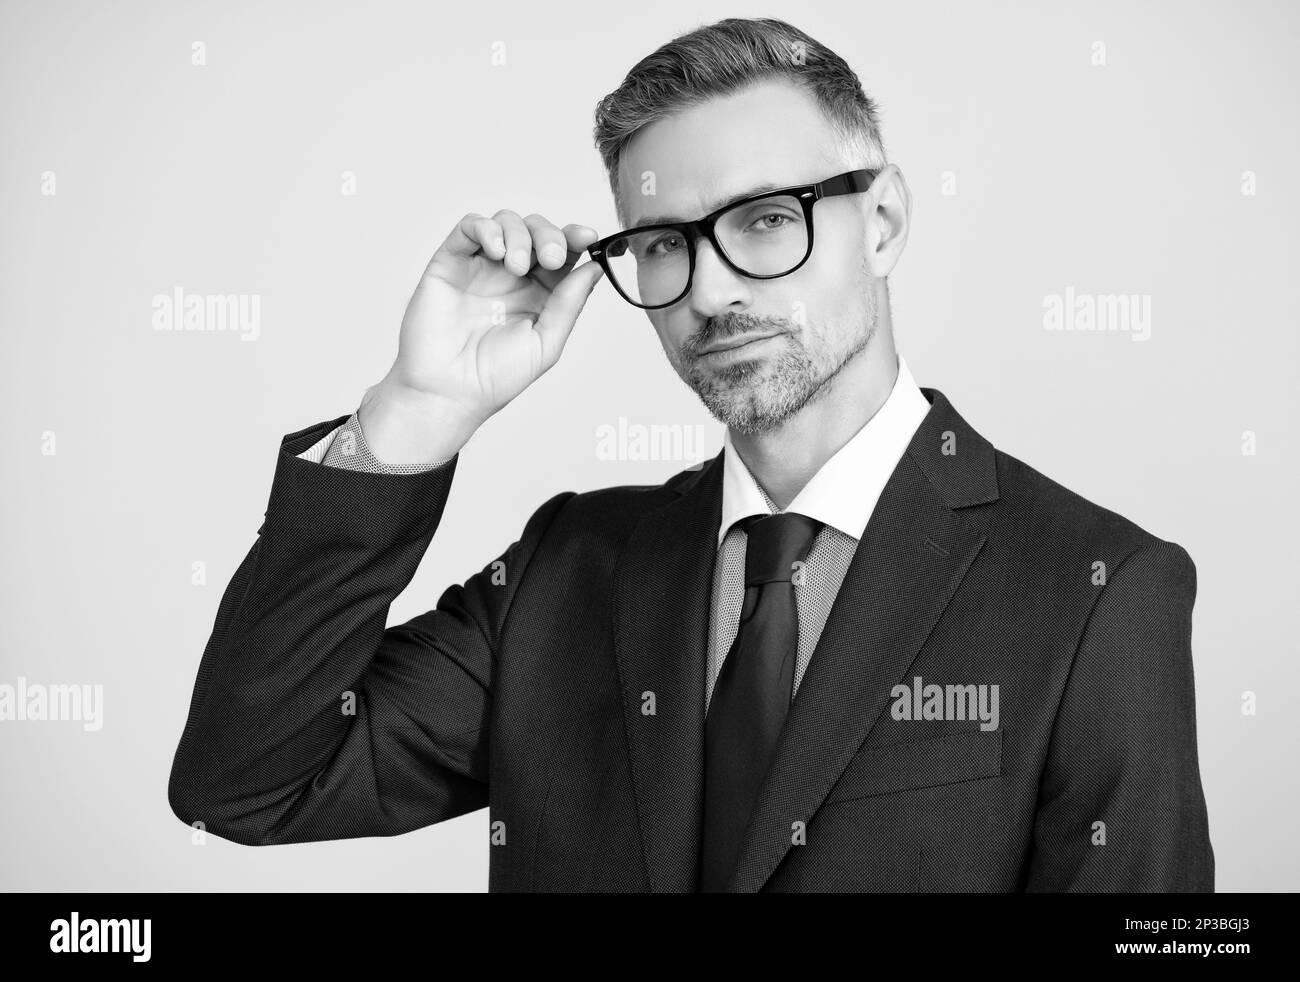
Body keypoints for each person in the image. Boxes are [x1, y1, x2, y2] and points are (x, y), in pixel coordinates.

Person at [168, 16, 1214, 892]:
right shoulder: (565, 568)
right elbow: (249, 781)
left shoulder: (1095, 591)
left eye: (765, 221)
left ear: (883, 221)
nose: (711, 293)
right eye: (665, 244)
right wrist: (410, 416)